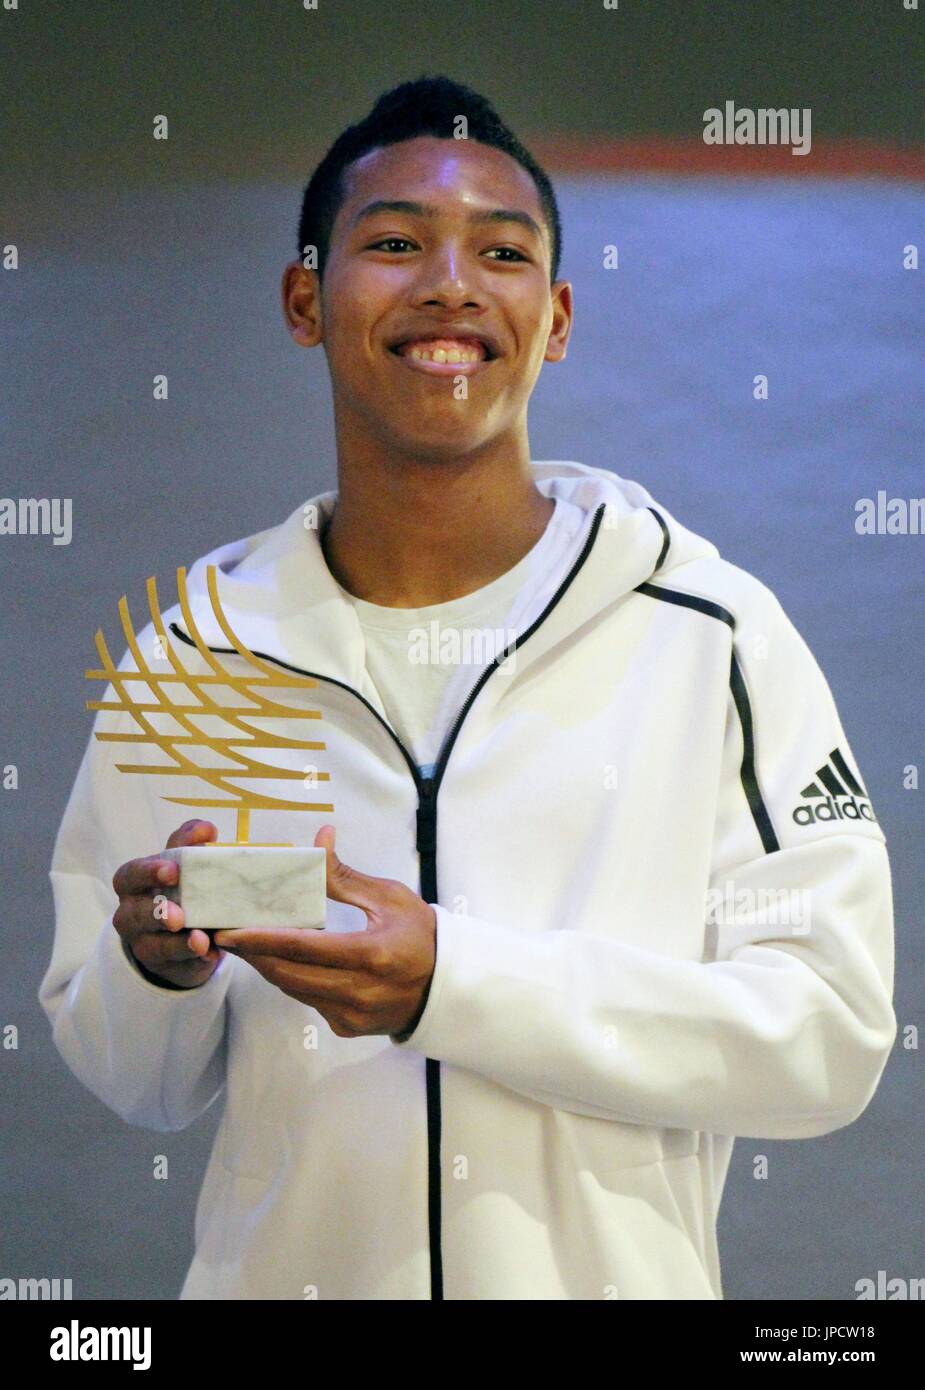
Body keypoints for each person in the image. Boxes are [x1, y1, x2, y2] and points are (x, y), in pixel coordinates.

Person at [39, 75, 896, 1301]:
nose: (448, 283)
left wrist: (453, 981)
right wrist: (159, 974)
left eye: (499, 252)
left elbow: (829, 1036)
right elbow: (136, 1074)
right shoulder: (196, 655)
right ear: (302, 299)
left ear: (552, 319)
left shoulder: (713, 635)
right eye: (392, 243)